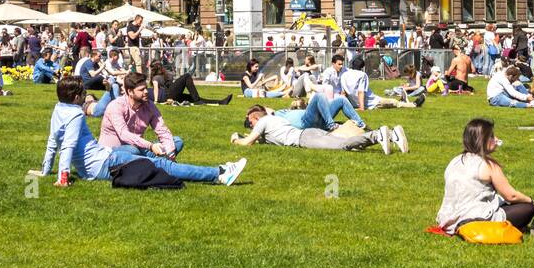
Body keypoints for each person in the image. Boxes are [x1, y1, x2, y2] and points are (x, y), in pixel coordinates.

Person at [33, 76, 246, 187]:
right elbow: (68, 145)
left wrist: (45, 171)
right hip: (106, 161)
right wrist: (63, 177)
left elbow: (53, 143)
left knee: (169, 152)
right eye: (84, 94)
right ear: (77, 97)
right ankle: (218, 173)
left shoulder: (58, 110)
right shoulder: (78, 114)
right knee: (162, 166)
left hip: (106, 159)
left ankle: (210, 171)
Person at [436, 118, 534, 239]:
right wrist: (531, 202)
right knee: (526, 208)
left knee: (503, 202)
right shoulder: (488, 165)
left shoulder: (455, 161)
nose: (496, 138)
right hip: (474, 219)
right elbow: (511, 196)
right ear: (482, 140)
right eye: (492, 136)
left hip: (448, 219)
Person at [234, 100, 404, 153]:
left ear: (255, 118)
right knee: (348, 144)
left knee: (342, 146)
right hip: (309, 133)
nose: (250, 126)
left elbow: (247, 142)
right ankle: (392, 135)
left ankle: (377, 136)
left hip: (305, 138)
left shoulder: (263, 122)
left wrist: (235, 139)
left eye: (250, 123)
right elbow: (258, 141)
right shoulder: (273, 120)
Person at [147, 61, 231, 105]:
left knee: (192, 98)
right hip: (168, 96)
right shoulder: (163, 76)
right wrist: (156, 101)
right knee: (187, 77)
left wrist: (156, 101)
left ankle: (221, 102)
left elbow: (156, 89)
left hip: (170, 94)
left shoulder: (158, 77)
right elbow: (156, 90)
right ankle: (197, 100)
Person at [343, 55, 412, 109]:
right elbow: (361, 91)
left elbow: (343, 93)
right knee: (394, 102)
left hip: (354, 104)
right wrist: (361, 107)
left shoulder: (344, 75)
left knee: (390, 100)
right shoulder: (362, 75)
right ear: (362, 67)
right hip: (371, 102)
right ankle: (412, 104)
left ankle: (403, 100)